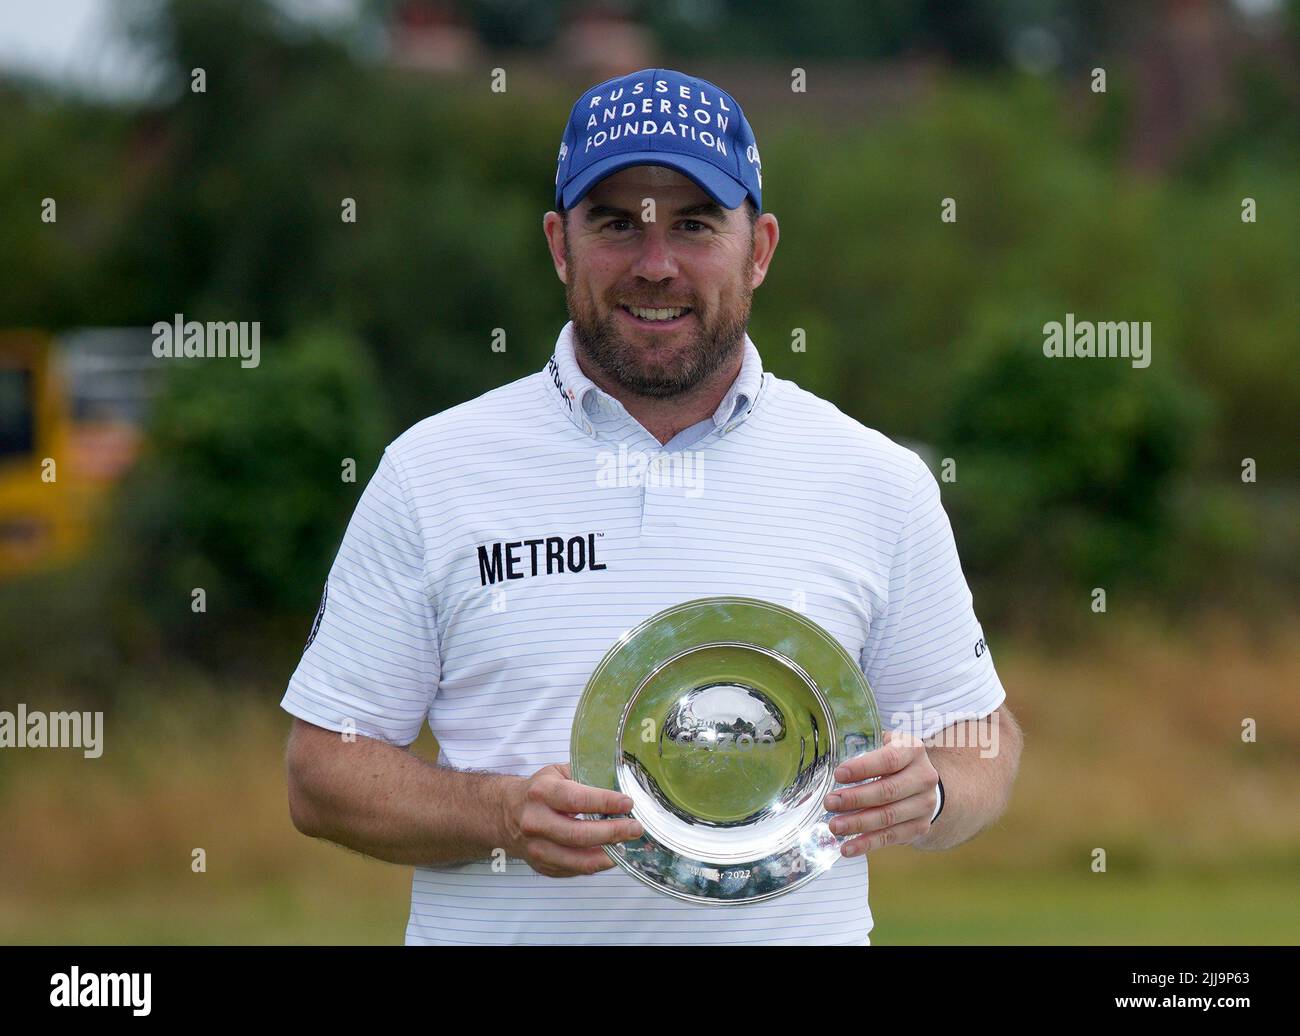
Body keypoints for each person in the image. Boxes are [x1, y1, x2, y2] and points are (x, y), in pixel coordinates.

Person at [282, 67, 1022, 945]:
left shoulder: (875, 478)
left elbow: (982, 739)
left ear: (761, 248)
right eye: (614, 224)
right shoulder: (433, 470)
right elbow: (323, 772)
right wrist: (502, 816)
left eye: (695, 224)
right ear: (560, 244)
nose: (656, 264)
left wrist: (931, 791)